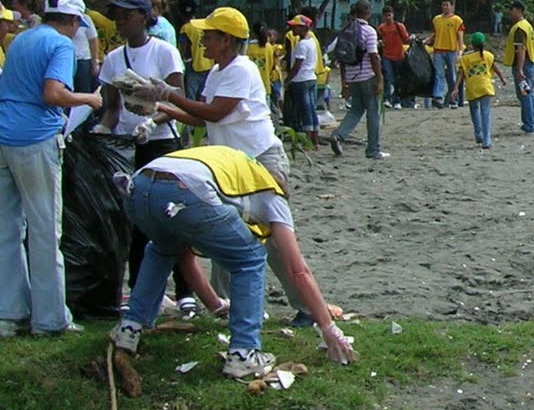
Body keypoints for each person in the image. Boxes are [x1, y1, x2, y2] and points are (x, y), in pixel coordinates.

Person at [109, 143, 357, 379]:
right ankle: (243, 353)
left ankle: (130, 328)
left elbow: (184, 258)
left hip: (139, 186)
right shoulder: (272, 194)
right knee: (249, 259)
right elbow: (298, 271)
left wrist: (215, 305)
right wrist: (328, 328)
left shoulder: (235, 179)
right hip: (185, 188)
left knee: (162, 250)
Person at [0, 0, 104, 336]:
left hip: (4, 135)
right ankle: (50, 319)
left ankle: (10, 313)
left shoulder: (20, 40)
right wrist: (90, 98)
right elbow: (53, 94)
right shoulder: (61, 46)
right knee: (45, 228)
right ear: (74, 23)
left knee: (7, 229)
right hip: (35, 139)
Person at [96, 0, 188, 306]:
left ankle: (185, 291)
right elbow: (111, 107)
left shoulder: (164, 52)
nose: (120, 22)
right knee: (134, 220)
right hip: (126, 143)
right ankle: (140, 289)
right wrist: (103, 130)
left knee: (167, 213)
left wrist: (151, 122)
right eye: (117, 16)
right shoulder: (112, 59)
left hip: (159, 140)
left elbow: (178, 97)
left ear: (144, 17)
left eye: (127, 15)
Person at [147, 7, 292, 186]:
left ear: (225, 40)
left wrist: (167, 95)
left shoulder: (240, 69)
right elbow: (200, 119)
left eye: (207, 37)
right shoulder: (216, 71)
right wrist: (160, 108)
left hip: (259, 156)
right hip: (232, 161)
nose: (202, 42)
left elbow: (215, 113)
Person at [329, 0, 384, 160]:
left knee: (356, 109)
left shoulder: (346, 30)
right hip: (368, 76)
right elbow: (374, 56)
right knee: (373, 112)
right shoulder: (369, 31)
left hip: (352, 77)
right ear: (368, 12)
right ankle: (373, 149)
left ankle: (339, 135)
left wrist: (344, 82)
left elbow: (341, 57)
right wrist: (379, 79)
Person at [455, 32, 506, 149]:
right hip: (485, 86)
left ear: (472, 44)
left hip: (472, 87)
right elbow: (495, 68)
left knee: (474, 111)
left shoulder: (466, 58)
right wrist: (502, 78)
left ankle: (478, 134)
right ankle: (487, 140)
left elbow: (460, 74)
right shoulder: (488, 55)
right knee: (485, 112)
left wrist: (455, 89)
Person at [283, 14, 323, 149]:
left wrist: (288, 80)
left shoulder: (302, 45)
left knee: (305, 111)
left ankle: (308, 141)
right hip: (311, 77)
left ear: (302, 28)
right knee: (311, 110)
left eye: (295, 27)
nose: (292, 29)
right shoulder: (311, 42)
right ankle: (315, 140)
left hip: (301, 80)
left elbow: (297, 65)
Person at [505, 1, 534, 134]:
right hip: (530, 62)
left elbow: (521, 49)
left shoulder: (519, 28)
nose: (510, 11)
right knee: (529, 93)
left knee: (524, 94)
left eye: (512, 9)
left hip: (523, 64)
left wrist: (519, 69)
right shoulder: (527, 25)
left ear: (519, 10)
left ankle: (529, 125)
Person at [430, 0, 466, 108]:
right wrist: (426, 41)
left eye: (447, 5)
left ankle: (453, 99)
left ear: (451, 6)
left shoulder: (457, 20)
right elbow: (435, 33)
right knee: (438, 74)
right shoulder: (436, 19)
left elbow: (460, 37)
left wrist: (459, 51)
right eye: (443, 5)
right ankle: (438, 97)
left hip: (451, 50)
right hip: (438, 50)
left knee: (452, 76)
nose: (445, 7)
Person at [376, 7, 412, 109]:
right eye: (386, 15)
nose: (388, 17)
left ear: (393, 15)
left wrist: (412, 39)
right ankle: (387, 99)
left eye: (389, 15)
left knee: (397, 79)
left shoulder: (399, 26)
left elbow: (406, 39)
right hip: (387, 56)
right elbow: (378, 40)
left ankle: (396, 100)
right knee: (387, 77)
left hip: (399, 56)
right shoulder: (381, 28)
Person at [177, 3, 213, 101]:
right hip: (209, 64)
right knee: (205, 94)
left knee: (191, 95)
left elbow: (183, 49)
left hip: (193, 65)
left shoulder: (186, 28)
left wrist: (181, 61)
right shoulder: (205, 24)